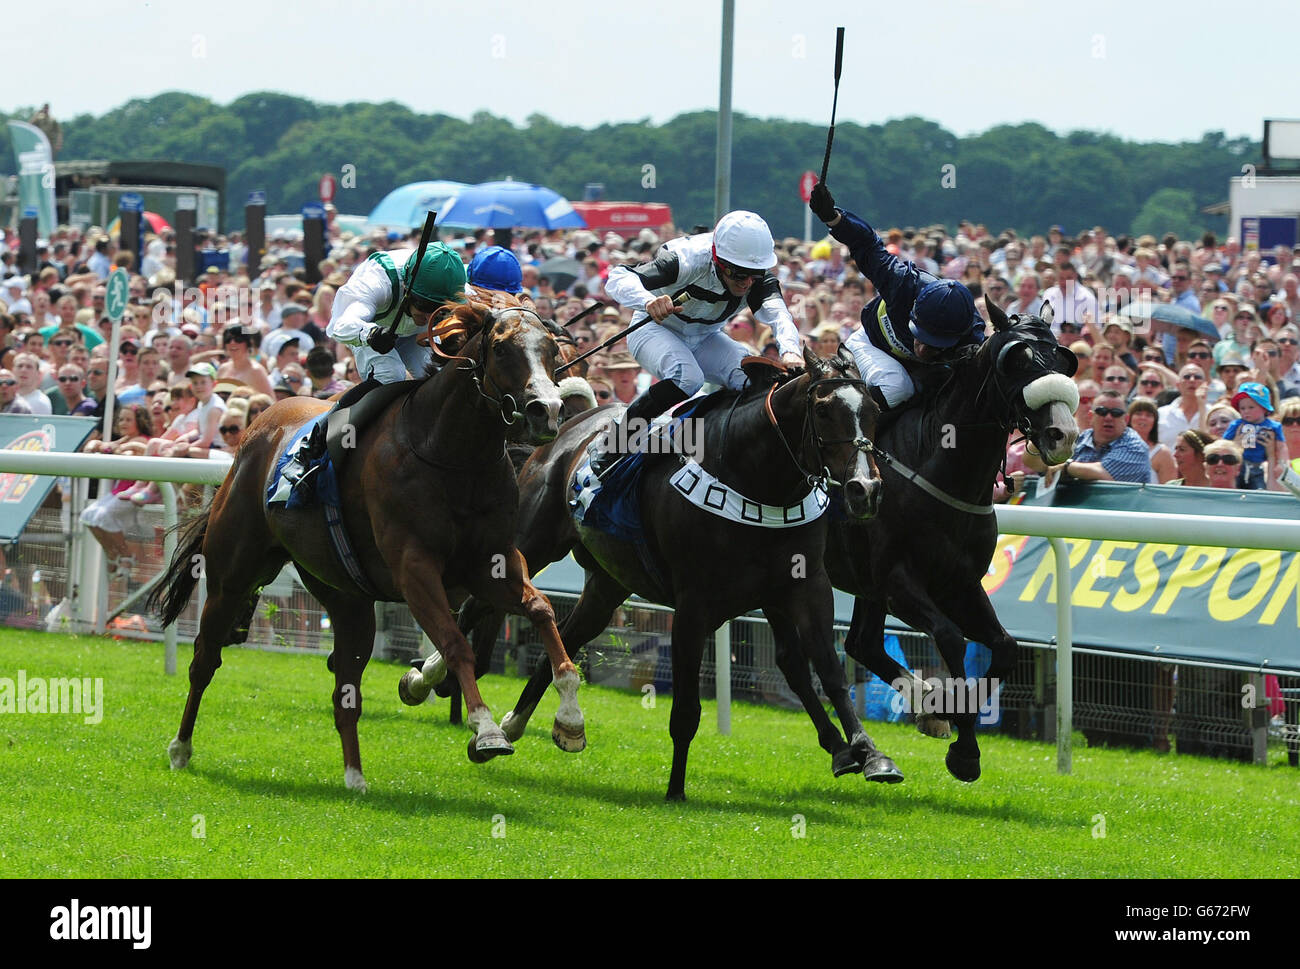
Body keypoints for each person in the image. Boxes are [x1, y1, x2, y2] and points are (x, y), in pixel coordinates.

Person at [591, 210, 804, 476]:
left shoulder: (754, 276)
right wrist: (648, 300)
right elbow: (618, 277)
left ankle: (729, 448)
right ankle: (615, 444)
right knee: (687, 378)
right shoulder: (686, 259)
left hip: (706, 336)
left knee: (756, 381)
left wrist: (791, 352)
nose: (748, 283)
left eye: (755, 275)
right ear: (718, 260)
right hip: (653, 329)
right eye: (739, 275)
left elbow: (779, 316)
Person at [808, 184, 984, 412]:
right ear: (915, 309)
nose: (922, 348)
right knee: (897, 388)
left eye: (933, 344)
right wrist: (833, 218)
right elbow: (867, 243)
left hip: (922, 370)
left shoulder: (973, 336)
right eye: (920, 334)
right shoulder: (901, 283)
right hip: (871, 344)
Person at [327, 241, 468, 385]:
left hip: (413, 335)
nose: (429, 316)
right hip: (373, 329)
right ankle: (337, 408)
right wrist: (371, 334)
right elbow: (341, 325)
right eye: (425, 305)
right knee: (390, 375)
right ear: (405, 287)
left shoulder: (460, 286)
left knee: (438, 379)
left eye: (440, 310)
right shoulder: (377, 281)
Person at [1024, 388, 1151, 483]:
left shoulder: (1136, 445)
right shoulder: (1081, 438)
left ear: (1126, 419)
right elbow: (1035, 463)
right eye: (1102, 411)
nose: (1108, 417)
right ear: (1091, 416)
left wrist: (1067, 467)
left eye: (1116, 413)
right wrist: (1043, 432)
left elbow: (1103, 474)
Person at [1222, 381, 1288, 491]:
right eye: (1242, 408)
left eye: (1251, 407)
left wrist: (1282, 463)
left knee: (1259, 489)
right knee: (1235, 488)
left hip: (1262, 465)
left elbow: (1282, 446)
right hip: (1239, 465)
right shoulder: (1237, 424)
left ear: (1264, 408)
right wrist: (1234, 446)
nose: (1246, 411)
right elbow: (1224, 444)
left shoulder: (1273, 426)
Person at [1127, 397, 1177, 483]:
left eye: (1149, 415)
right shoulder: (1115, 445)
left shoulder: (1162, 453)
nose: (1143, 418)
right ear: (1129, 418)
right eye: (1138, 413)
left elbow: (1168, 490)